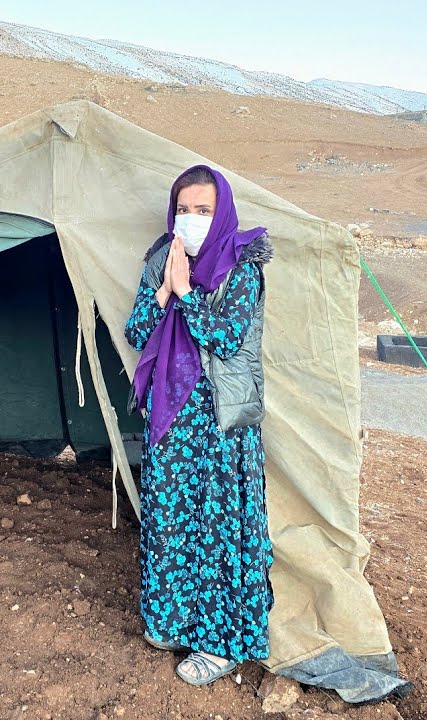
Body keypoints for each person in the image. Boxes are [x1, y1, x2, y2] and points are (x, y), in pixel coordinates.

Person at [124, 165, 275, 686]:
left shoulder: (241, 267)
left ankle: (220, 642)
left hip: (219, 423)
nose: (190, 219)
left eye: (203, 210)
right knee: (171, 520)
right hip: (170, 416)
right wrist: (164, 291)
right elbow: (136, 331)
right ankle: (174, 621)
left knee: (217, 527)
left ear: (222, 212)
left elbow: (227, 339)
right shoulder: (161, 259)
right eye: (183, 210)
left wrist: (187, 293)